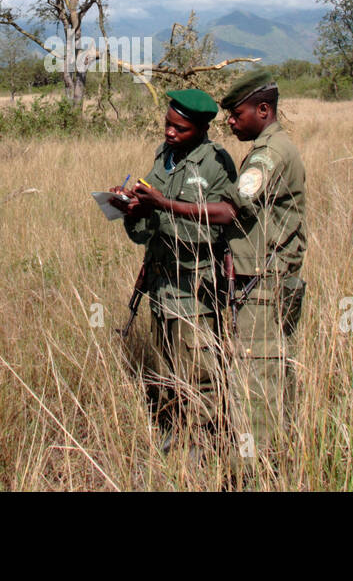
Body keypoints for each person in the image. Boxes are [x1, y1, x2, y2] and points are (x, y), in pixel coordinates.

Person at [113, 88, 237, 451]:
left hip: (194, 288)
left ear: (201, 129)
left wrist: (161, 208)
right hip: (161, 282)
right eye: (167, 124)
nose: (169, 133)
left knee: (201, 373)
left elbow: (220, 225)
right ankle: (177, 432)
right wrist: (132, 208)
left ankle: (206, 444)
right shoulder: (163, 156)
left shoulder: (217, 164)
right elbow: (151, 219)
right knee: (169, 367)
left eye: (179, 129)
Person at [215, 69, 307, 466]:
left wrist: (164, 205)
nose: (231, 122)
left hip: (264, 286)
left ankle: (249, 471)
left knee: (254, 386)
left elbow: (235, 206)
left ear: (264, 109)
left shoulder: (269, 154)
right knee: (267, 378)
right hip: (266, 281)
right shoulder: (272, 147)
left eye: (237, 114)